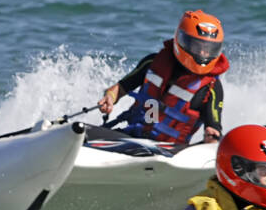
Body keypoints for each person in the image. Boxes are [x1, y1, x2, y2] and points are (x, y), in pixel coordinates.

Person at [97, 10, 228, 146]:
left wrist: (211, 137)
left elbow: (214, 127)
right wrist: (110, 97)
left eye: (209, 49)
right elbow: (121, 87)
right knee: (83, 132)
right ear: (182, 40)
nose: (203, 53)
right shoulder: (153, 63)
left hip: (173, 152)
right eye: (197, 46)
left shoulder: (212, 87)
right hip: (132, 137)